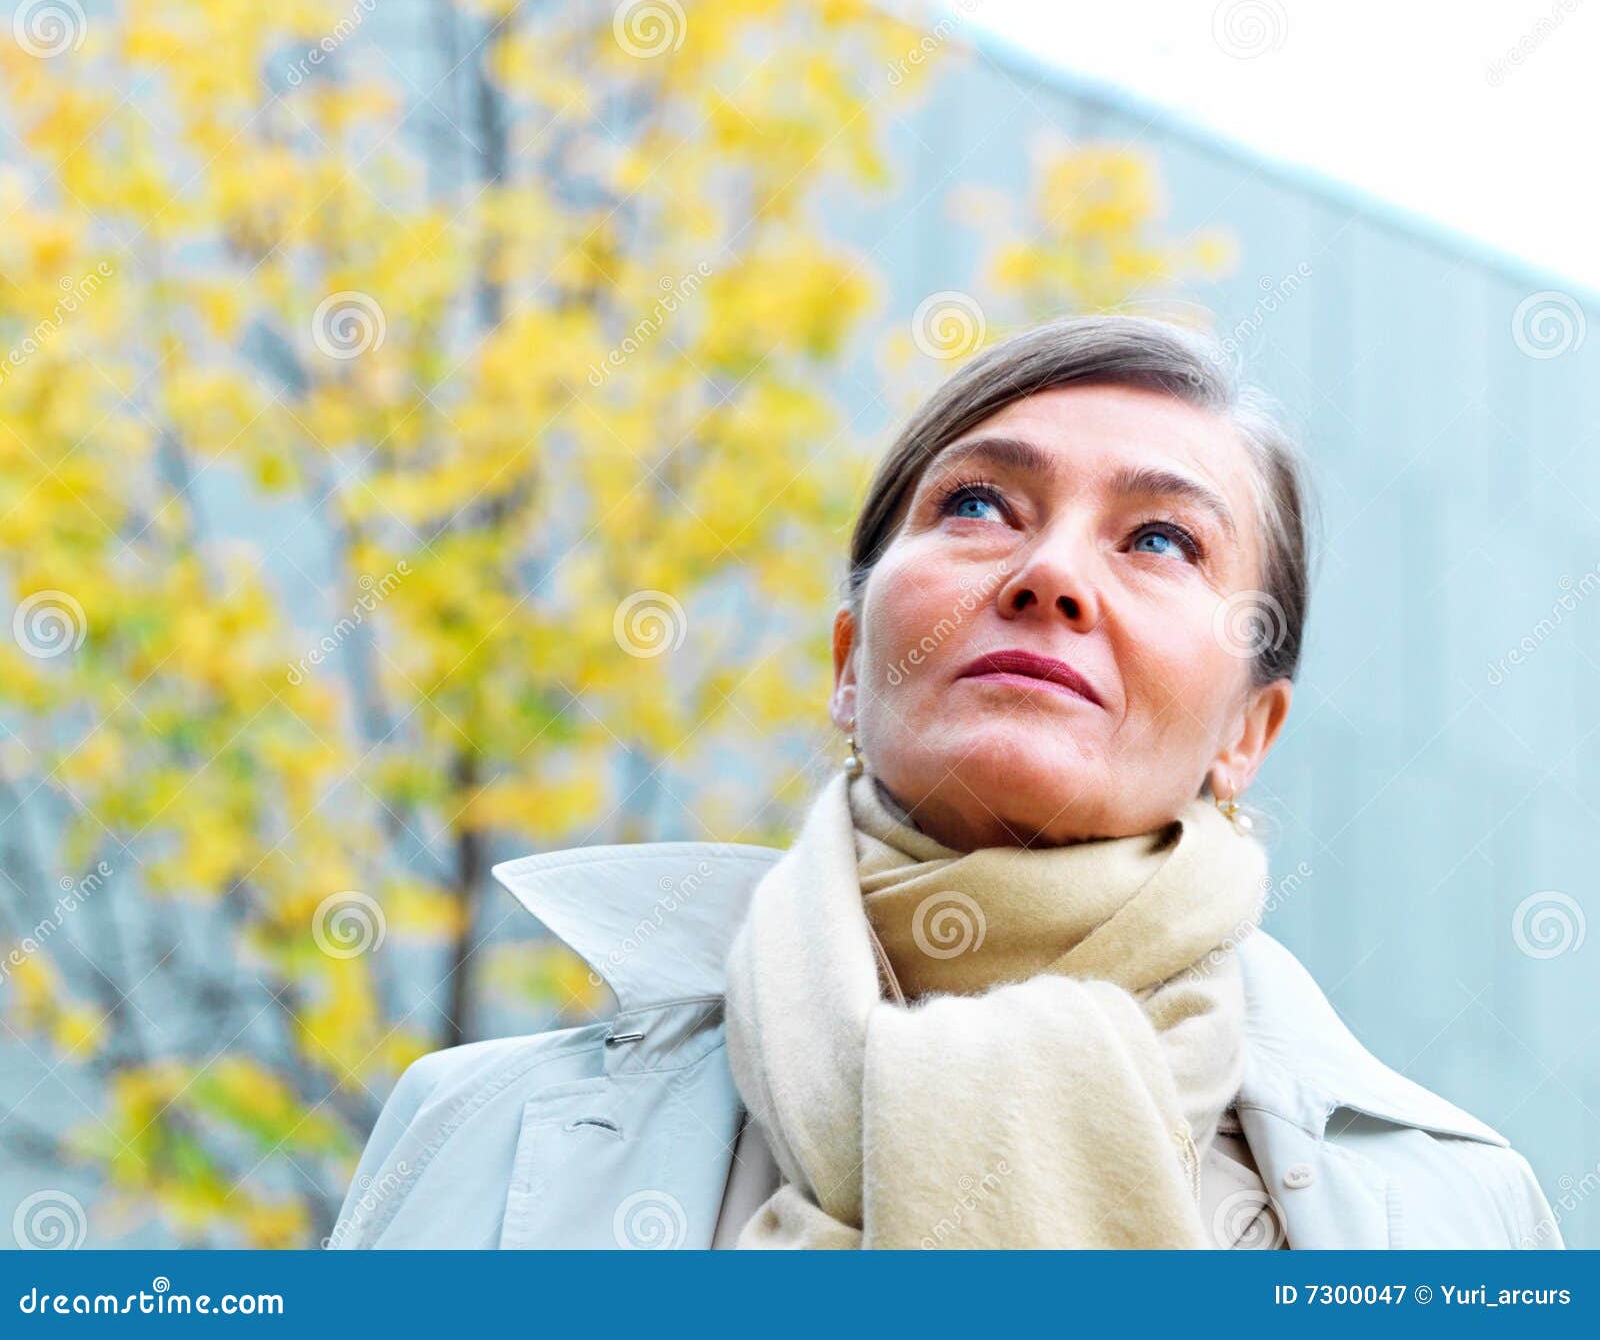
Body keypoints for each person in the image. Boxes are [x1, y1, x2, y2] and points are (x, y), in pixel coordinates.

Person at [329, 313, 1563, 1250]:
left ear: (1248, 728)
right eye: (977, 503)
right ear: (849, 665)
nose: (1048, 574)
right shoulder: (467, 1130)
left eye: (1159, 539)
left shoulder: (1453, 1212)